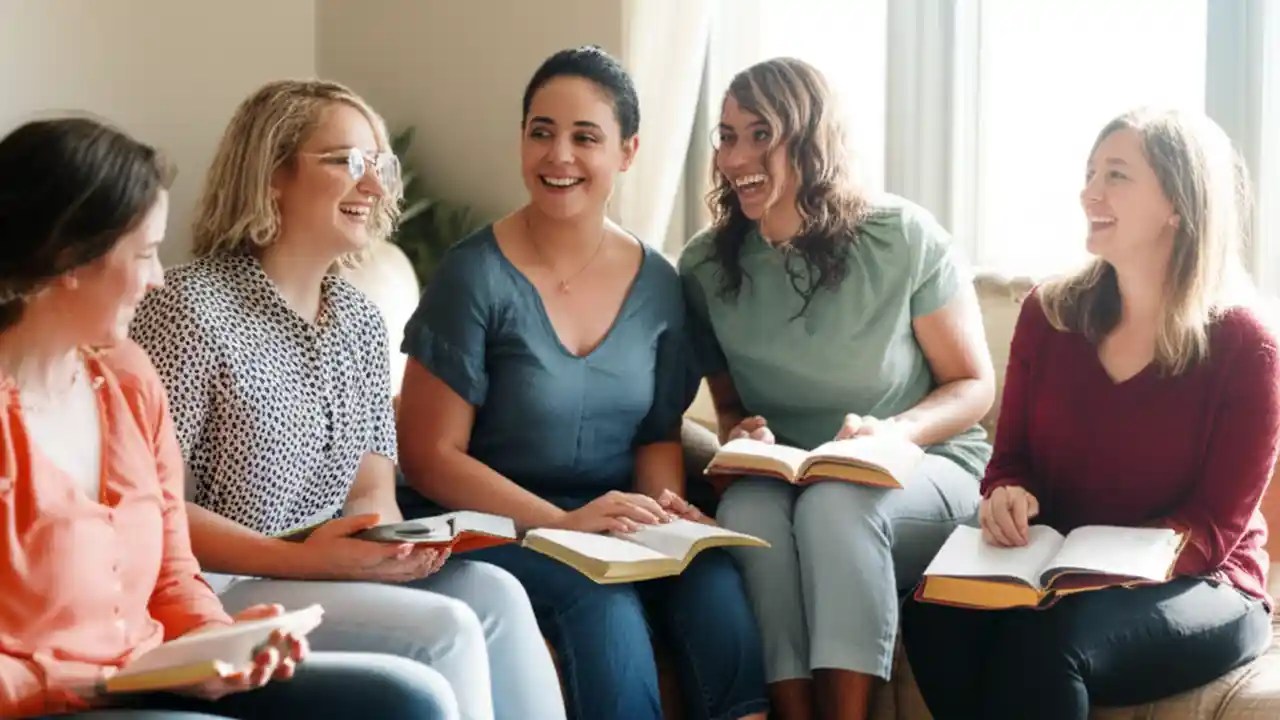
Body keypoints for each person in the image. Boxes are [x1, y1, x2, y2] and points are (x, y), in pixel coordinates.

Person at [128, 80, 564, 720]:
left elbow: (369, 492)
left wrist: (391, 545)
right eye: (346, 162)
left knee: (497, 591)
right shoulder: (187, 309)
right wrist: (308, 561)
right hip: (222, 586)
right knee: (444, 628)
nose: (375, 186)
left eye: (379, 165)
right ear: (272, 173)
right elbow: (157, 515)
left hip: (324, 572)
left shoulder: (361, 321)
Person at [0, 117, 455, 719]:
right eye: (144, 253)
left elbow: (172, 576)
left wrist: (220, 644)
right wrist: (94, 683)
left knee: (408, 699)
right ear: (69, 259)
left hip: (149, 680)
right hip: (53, 703)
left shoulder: (128, 380)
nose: (158, 277)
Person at [394, 46, 769, 720]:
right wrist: (563, 524)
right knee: (602, 606)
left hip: (604, 521)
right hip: (491, 524)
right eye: (541, 132)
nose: (557, 155)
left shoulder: (658, 283)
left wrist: (659, 516)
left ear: (627, 152)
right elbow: (428, 456)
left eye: (584, 137)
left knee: (714, 589)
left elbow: (658, 434)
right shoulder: (472, 276)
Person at [899, 108, 1279, 719]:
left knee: (1049, 641)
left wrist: (1099, 572)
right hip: (1056, 568)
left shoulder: (1245, 344)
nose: (1089, 192)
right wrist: (1006, 496)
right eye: (1090, 172)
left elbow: (1213, 528)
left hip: (1203, 584)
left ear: (1178, 205)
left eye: (1117, 175)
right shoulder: (1048, 314)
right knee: (931, 612)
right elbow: (1010, 460)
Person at [678, 57, 996, 720]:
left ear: (812, 137)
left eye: (761, 133)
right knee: (747, 516)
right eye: (727, 135)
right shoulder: (706, 266)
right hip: (791, 478)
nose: (736, 156)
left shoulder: (901, 236)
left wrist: (894, 432)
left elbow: (972, 385)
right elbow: (732, 402)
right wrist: (741, 432)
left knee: (835, 506)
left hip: (927, 470)